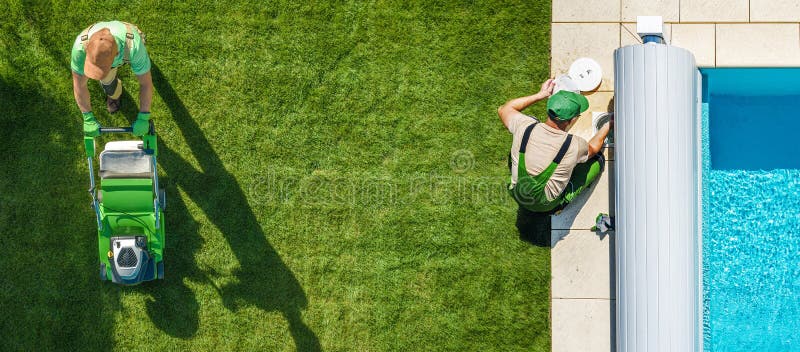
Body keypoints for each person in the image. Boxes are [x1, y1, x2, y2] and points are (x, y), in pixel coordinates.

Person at [498, 79, 611, 242]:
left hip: (519, 194)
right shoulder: (573, 145)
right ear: (571, 121)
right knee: (596, 160)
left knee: (528, 121)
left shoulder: (525, 126)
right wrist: (607, 126)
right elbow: (593, 148)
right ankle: (559, 207)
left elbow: (505, 109)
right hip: (547, 205)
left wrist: (540, 95)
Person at [71, 21, 153, 137]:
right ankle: (114, 95)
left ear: (117, 54)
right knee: (108, 85)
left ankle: (141, 56)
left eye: (101, 68)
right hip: (116, 55)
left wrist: (144, 116)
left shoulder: (134, 46)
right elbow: (79, 85)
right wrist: (87, 117)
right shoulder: (80, 49)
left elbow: (145, 83)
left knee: (141, 63)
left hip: (128, 43)